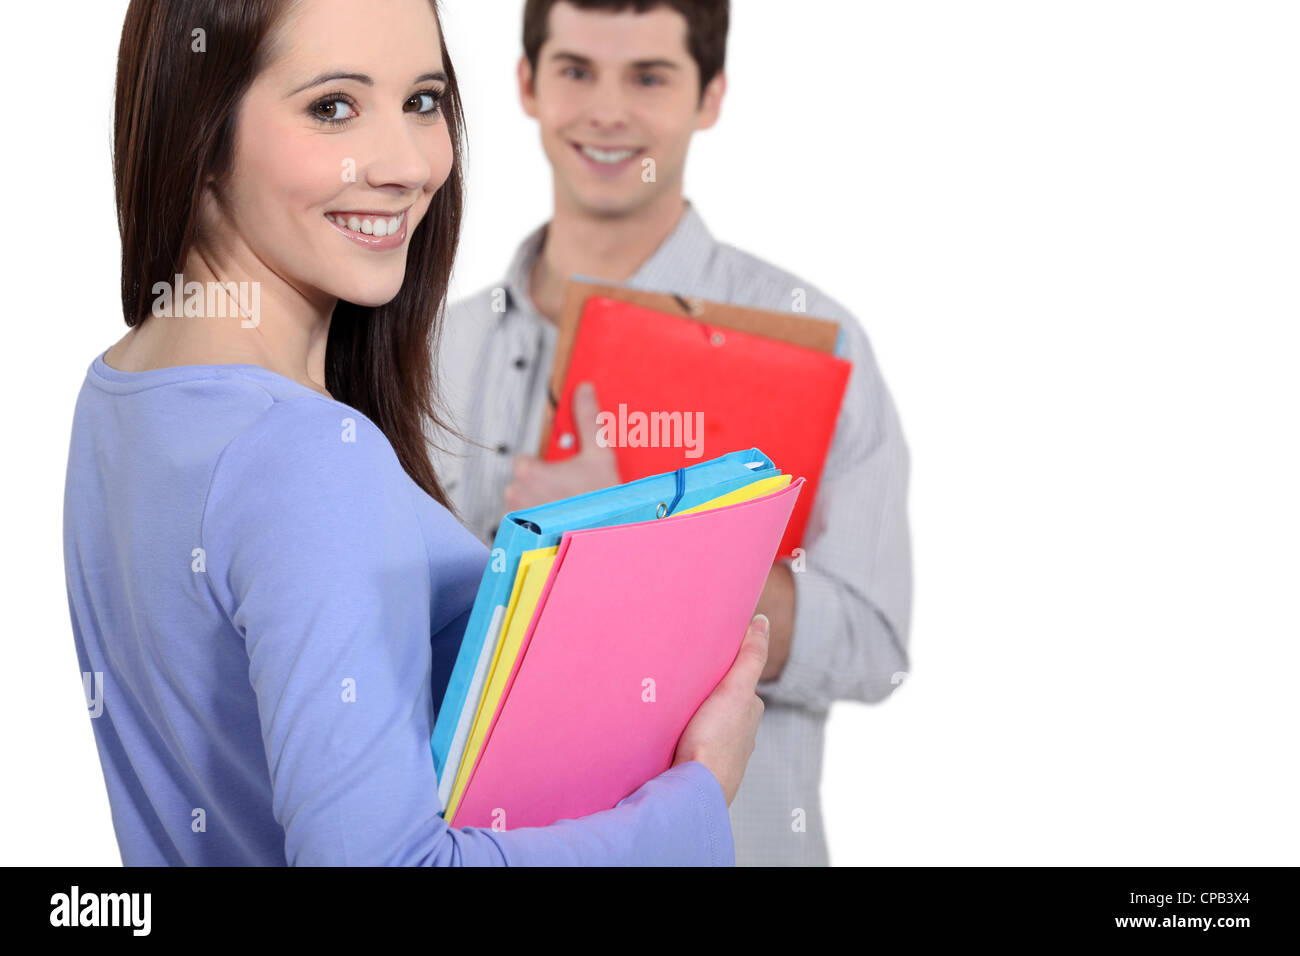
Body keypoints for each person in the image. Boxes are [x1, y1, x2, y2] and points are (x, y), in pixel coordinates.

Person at [63, 0, 769, 866]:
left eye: (424, 99)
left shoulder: (120, 389)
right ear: (198, 123)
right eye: (333, 107)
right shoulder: (306, 455)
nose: (408, 165)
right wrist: (694, 800)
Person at [429, 0, 913, 865]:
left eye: (649, 76)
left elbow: (876, 649)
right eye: (577, 70)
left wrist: (637, 543)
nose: (607, 111)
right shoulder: (427, 345)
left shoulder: (816, 340)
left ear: (711, 94)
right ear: (527, 84)